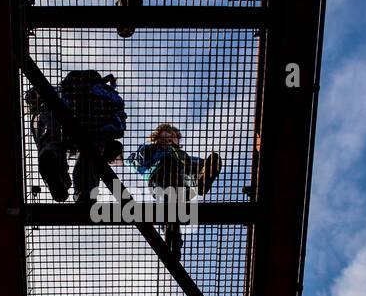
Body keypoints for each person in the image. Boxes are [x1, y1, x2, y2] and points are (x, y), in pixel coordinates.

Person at [25, 69, 126, 204]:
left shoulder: (63, 89)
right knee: (91, 153)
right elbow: (119, 122)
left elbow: (35, 101)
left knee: (51, 140)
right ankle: (84, 192)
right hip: (93, 129)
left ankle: (56, 168)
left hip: (62, 121)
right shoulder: (104, 92)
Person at [129, 123, 222, 258]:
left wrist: (207, 165)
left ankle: (199, 182)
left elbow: (194, 162)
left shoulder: (180, 154)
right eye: (168, 135)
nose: (171, 138)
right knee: (169, 207)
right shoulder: (151, 148)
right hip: (160, 176)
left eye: (174, 137)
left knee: (189, 168)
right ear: (158, 135)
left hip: (182, 182)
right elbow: (136, 162)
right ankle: (173, 242)